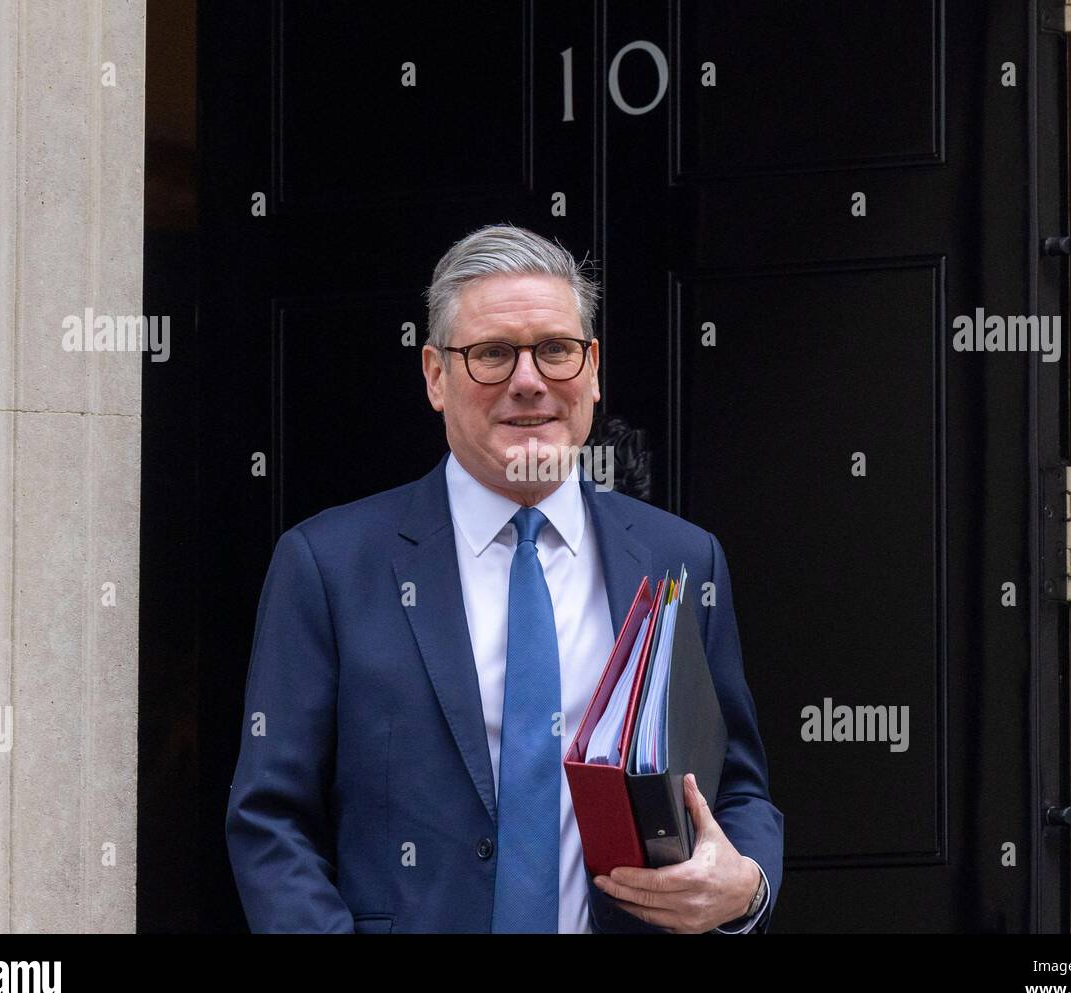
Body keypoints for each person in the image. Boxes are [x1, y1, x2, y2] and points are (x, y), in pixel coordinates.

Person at [225, 224, 783, 933]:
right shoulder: (329, 565)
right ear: (434, 374)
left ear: (594, 368)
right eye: (492, 354)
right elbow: (271, 821)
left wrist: (746, 887)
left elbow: (736, 787)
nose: (529, 382)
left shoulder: (683, 561)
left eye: (556, 350)